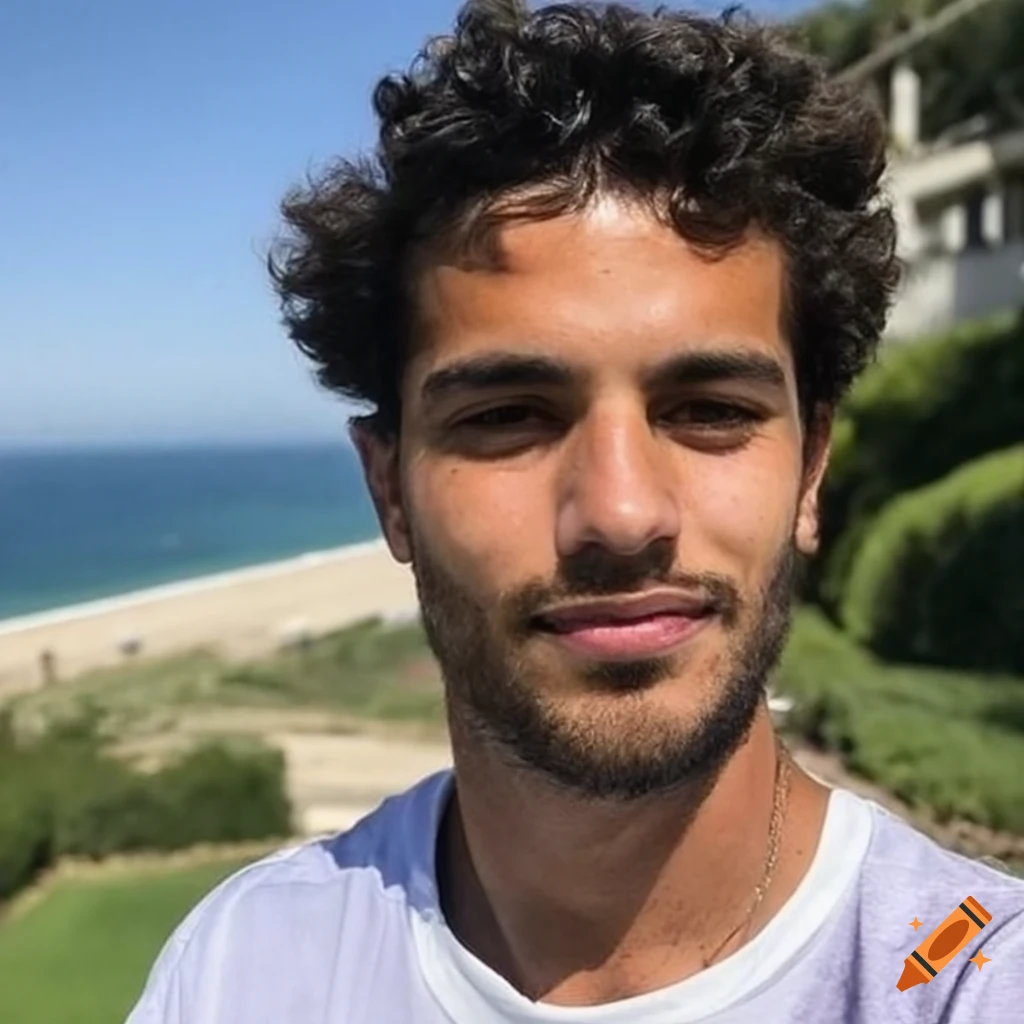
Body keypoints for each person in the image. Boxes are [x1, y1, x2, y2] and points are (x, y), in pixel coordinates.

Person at [126, 2, 1024, 1022]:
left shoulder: (967, 977)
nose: (620, 511)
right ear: (391, 493)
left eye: (708, 411)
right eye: (509, 417)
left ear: (810, 468)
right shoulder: (244, 969)